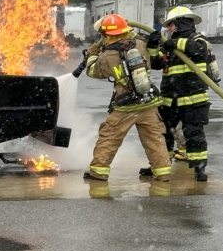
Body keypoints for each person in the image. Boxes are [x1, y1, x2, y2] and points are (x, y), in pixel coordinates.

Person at [72, 14, 172, 183]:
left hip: (126, 106)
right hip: (149, 102)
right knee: (155, 139)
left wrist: (92, 53)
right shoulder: (141, 44)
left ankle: (98, 172)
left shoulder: (110, 54)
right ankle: (163, 173)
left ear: (107, 35)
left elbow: (92, 71)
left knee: (109, 138)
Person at [144, 6, 212, 181]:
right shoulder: (169, 44)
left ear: (182, 23)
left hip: (193, 99)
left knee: (194, 134)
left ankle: (199, 169)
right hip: (170, 100)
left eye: (172, 25)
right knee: (163, 133)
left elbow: (196, 50)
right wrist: (152, 45)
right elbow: (157, 63)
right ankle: (161, 165)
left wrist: (171, 43)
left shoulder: (199, 40)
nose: (169, 29)